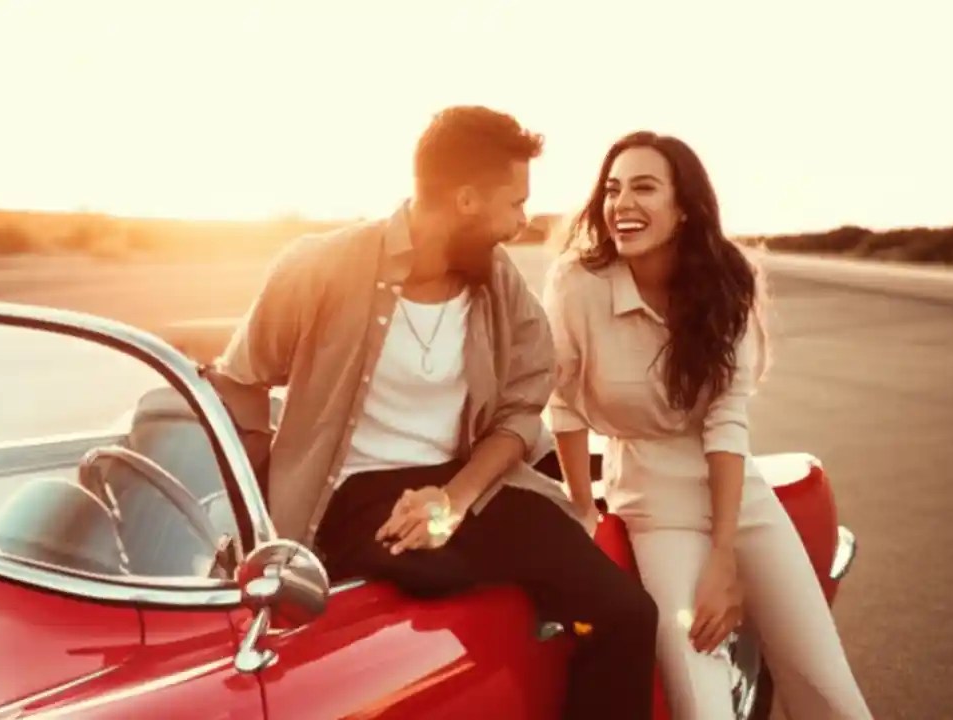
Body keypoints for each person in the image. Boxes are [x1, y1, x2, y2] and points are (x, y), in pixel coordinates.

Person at [210, 106, 660, 719]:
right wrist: (264, 504)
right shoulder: (320, 266)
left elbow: (521, 412)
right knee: (433, 572)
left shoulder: (500, 287)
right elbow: (241, 378)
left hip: (464, 482)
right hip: (349, 492)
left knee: (627, 612)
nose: (522, 222)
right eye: (515, 203)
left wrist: (451, 499)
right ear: (468, 201)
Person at [542, 130, 873, 719]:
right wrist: (582, 509)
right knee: (701, 697)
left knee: (826, 685)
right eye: (613, 189)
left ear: (685, 206)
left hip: (737, 497)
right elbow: (562, 403)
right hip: (653, 506)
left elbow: (726, 420)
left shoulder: (728, 277)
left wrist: (725, 557)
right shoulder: (578, 282)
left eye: (645, 187)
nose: (622, 204)